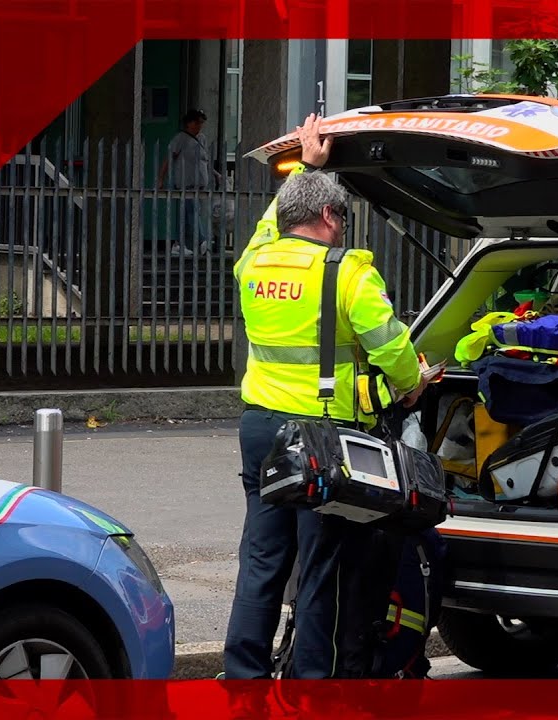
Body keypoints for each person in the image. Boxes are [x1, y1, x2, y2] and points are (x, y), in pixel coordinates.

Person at [220, 113, 428, 686]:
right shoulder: (348, 274)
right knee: (320, 567)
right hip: (322, 437)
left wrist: (307, 169)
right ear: (331, 216)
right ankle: (313, 684)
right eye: (341, 218)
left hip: (260, 428)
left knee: (262, 560)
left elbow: (271, 224)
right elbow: (391, 349)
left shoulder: (253, 264)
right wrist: (414, 382)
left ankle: (243, 677)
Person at [156, 109, 228, 257]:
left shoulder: (201, 139)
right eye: (197, 122)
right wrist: (160, 178)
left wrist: (215, 175)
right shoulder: (180, 139)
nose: (199, 126)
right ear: (189, 123)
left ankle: (179, 244)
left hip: (199, 185)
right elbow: (168, 159)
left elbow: (204, 161)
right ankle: (202, 241)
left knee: (187, 215)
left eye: (201, 123)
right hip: (185, 184)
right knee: (192, 212)